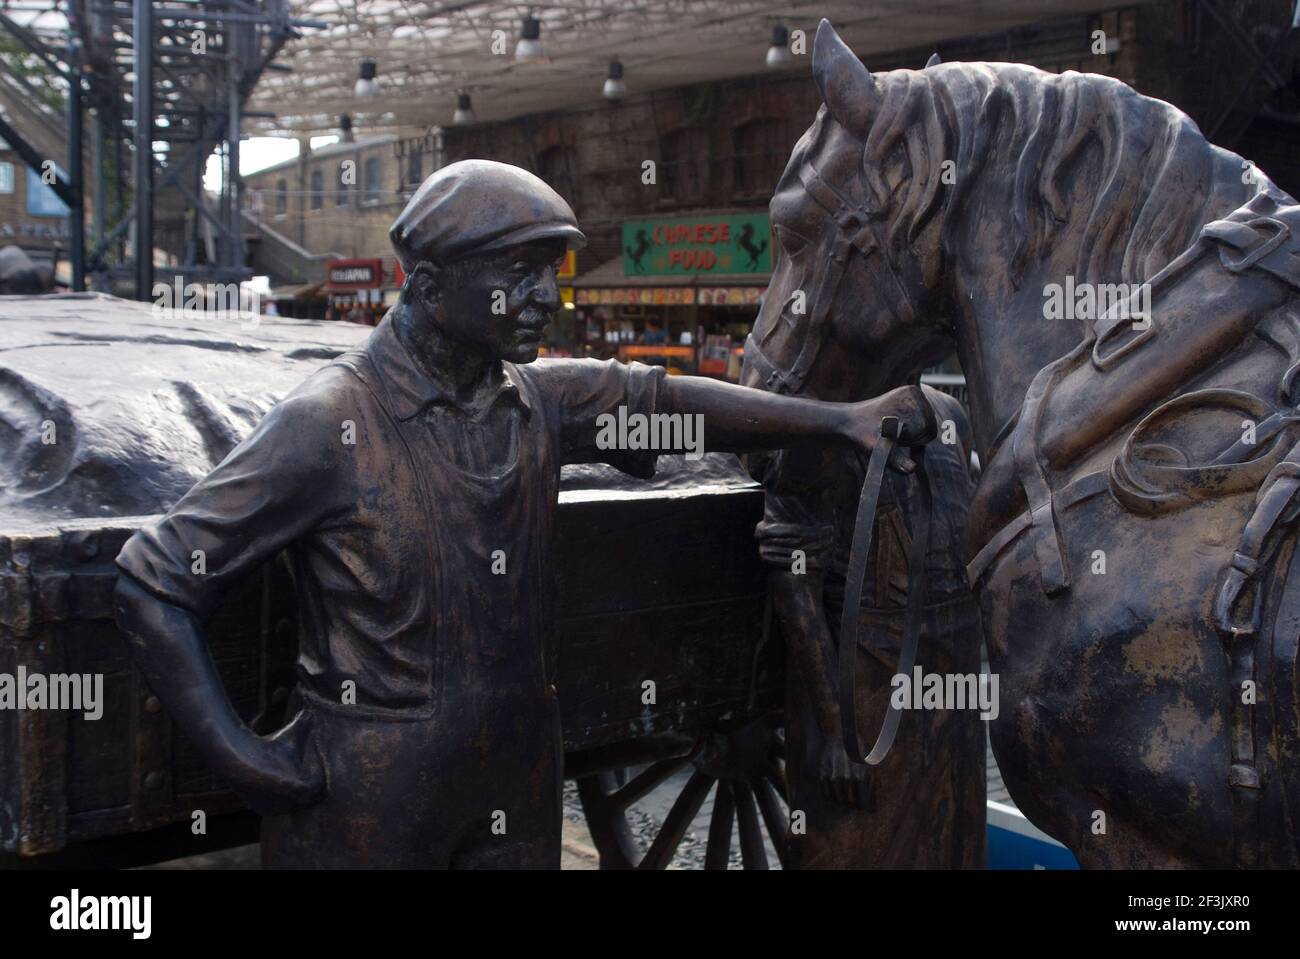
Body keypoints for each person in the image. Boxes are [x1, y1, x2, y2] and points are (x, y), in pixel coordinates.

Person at [112, 159, 935, 868]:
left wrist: (843, 419)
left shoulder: (539, 401)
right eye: (519, 273)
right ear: (431, 287)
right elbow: (153, 580)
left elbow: (671, 400)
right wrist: (245, 759)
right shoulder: (331, 423)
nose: (547, 296)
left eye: (552, 270)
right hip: (376, 785)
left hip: (517, 767)